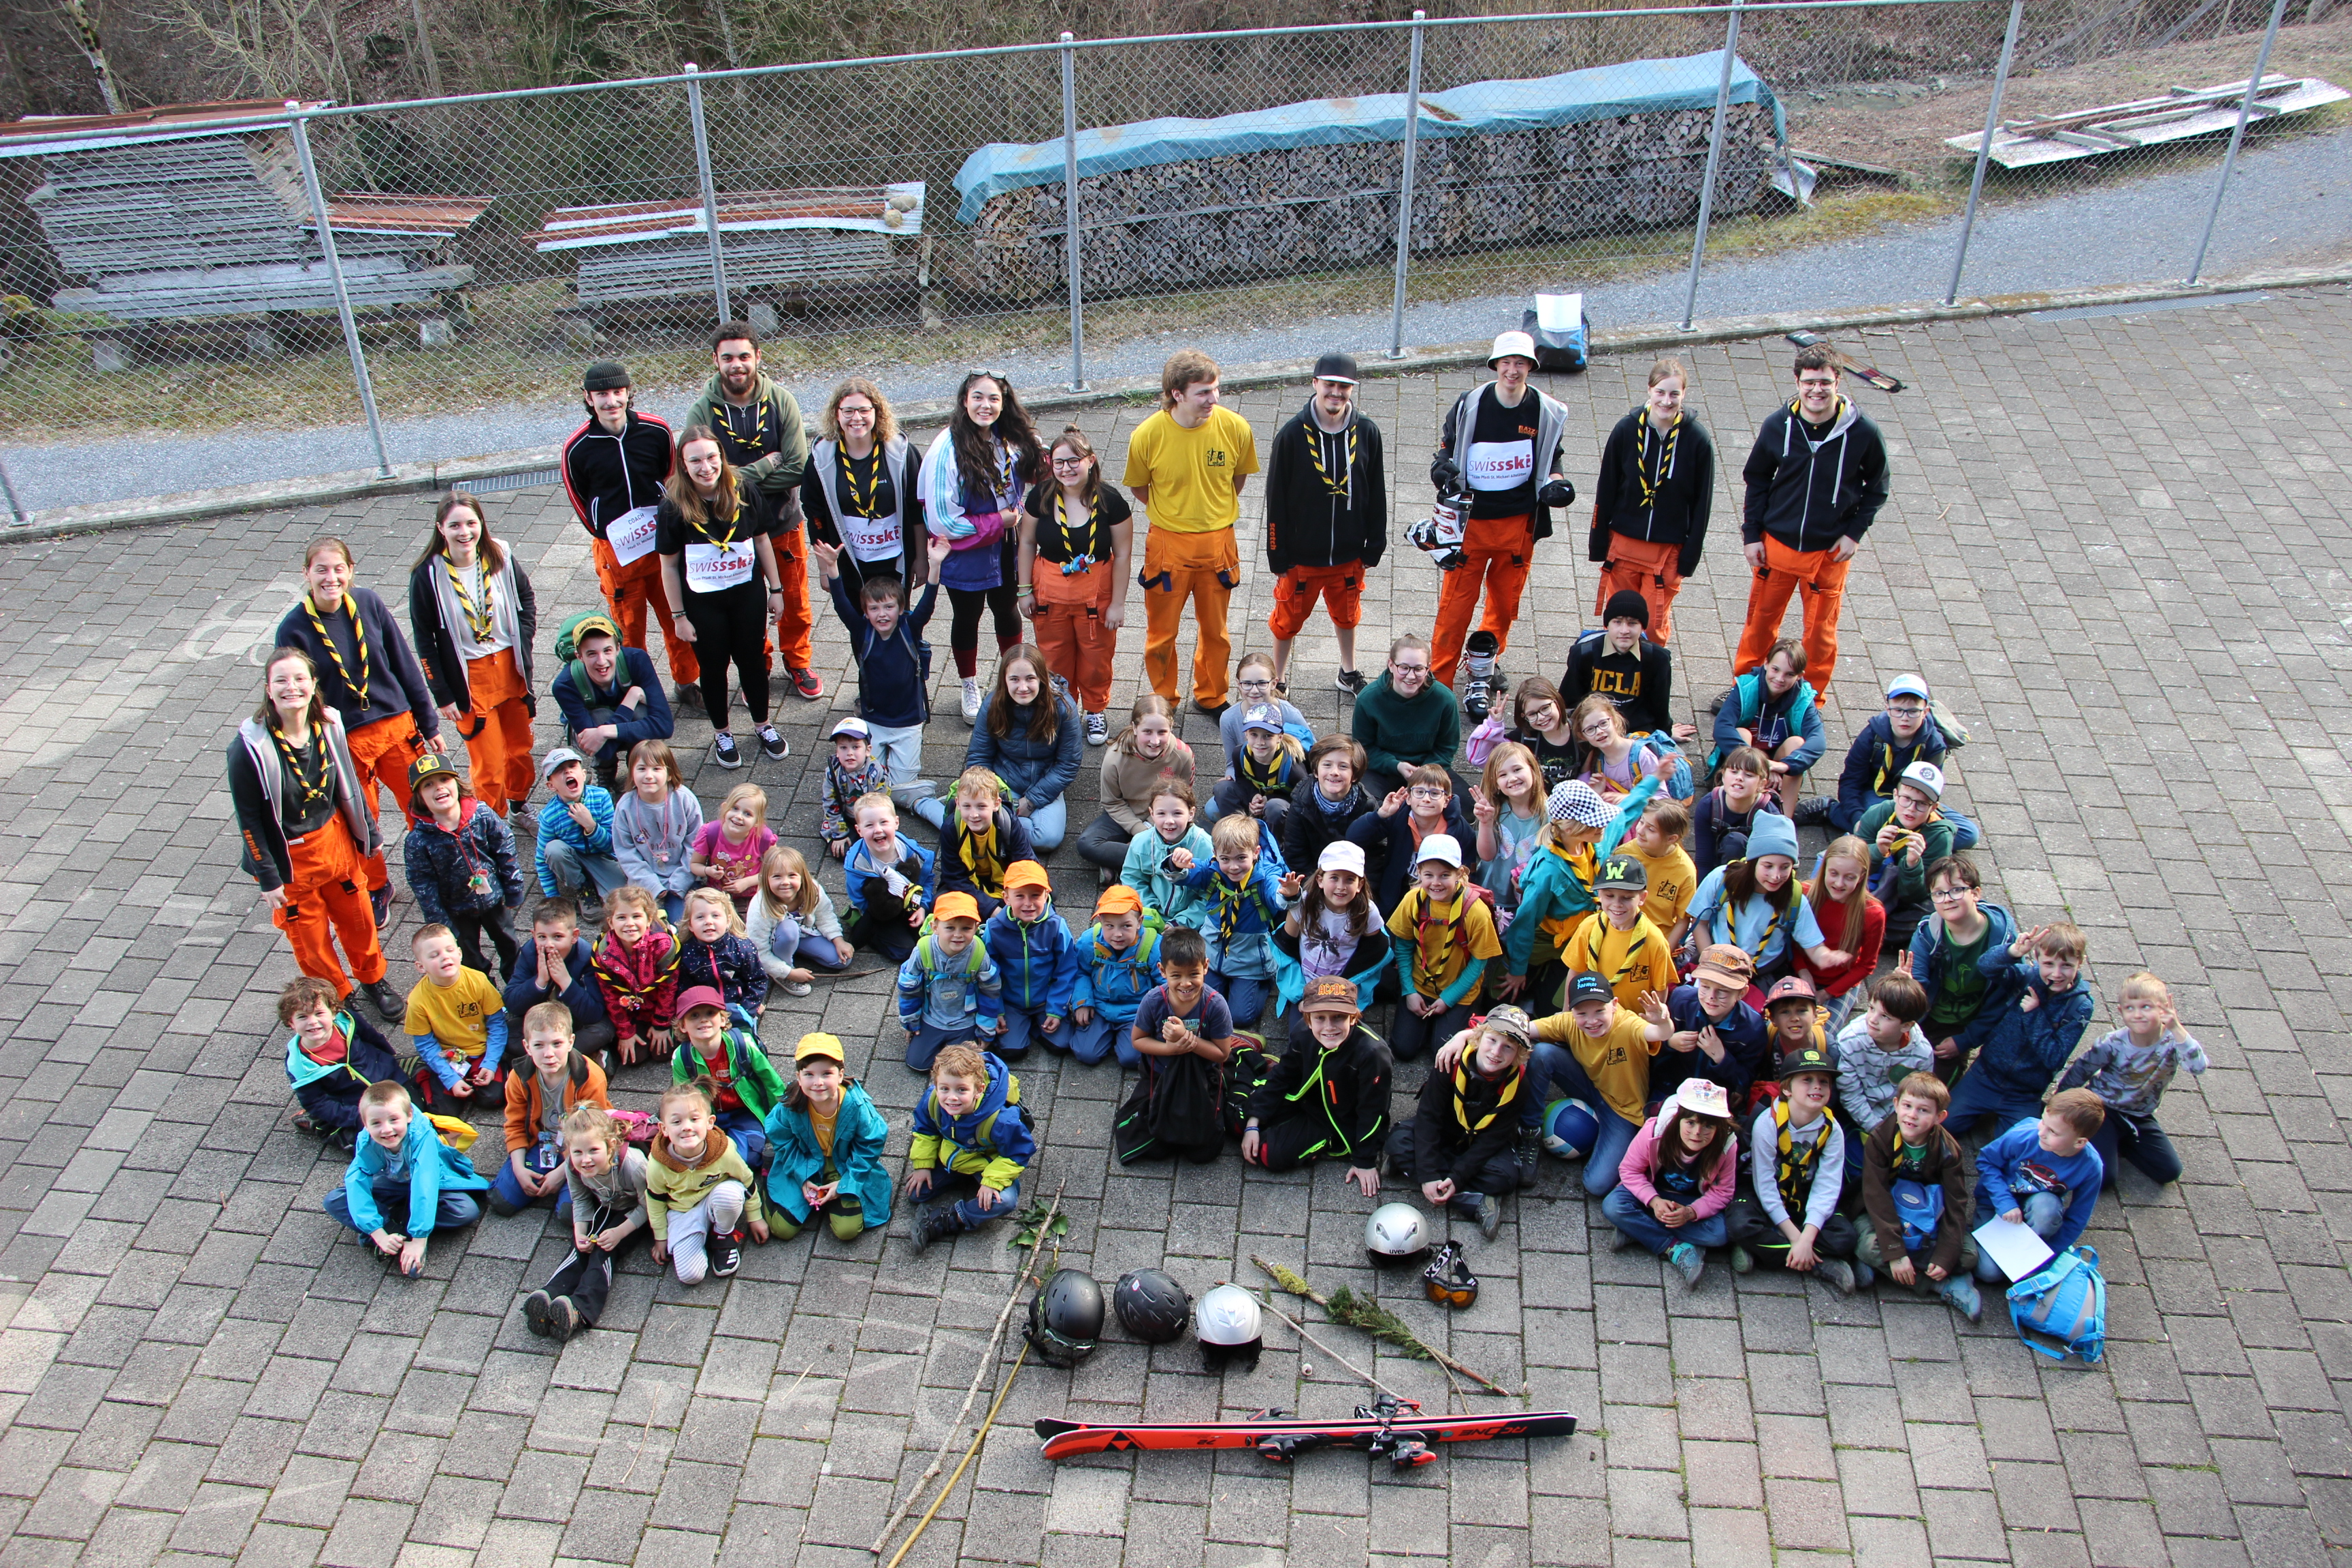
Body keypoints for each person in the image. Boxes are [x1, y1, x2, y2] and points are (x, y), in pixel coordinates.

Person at [274, 535, 444, 926]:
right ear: (306, 573)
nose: (331, 578)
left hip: (397, 726)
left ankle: (437, 867)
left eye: (339, 569)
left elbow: (402, 662)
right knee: (361, 820)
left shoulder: (368, 603)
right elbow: (297, 695)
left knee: (423, 803)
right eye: (321, 570)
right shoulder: (294, 629)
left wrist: (428, 721)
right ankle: (377, 885)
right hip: (344, 739)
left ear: (351, 571)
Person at [229, 647, 398, 1020]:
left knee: (359, 919)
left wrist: (369, 832)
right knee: (310, 939)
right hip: (291, 860)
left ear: (313, 684)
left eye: (299, 678)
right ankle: (337, 996)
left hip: (336, 844)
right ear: (268, 689)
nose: (292, 687)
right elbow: (249, 819)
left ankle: (373, 979)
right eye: (281, 680)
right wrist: (267, 877)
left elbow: (349, 783)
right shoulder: (249, 749)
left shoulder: (329, 724)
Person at [1427, 332, 1575, 717]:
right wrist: (1441, 467)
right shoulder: (1470, 404)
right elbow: (1447, 444)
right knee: (1455, 608)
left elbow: (1553, 457)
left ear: (1531, 367)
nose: (1513, 370)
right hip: (1471, 525)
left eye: (1520, 363)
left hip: (1518, 525)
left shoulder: (1546, 411)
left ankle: (1483, 666)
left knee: (1505, 606)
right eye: (1506, 363)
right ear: (1495, 365)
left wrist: (1557, 484)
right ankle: (1438, 683)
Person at [1734, 342, 1890, 689]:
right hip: (1776, 547)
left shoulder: (1863, 432)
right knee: (1759, 625)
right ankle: (1745, 691)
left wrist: (1854, 533)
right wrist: (1752, 535)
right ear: (1797, 382)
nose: (1816, 390)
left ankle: (1810, 701)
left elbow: (1878, 487)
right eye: (1809, 382)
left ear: (1838, 382)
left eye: (1824, 382)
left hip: (1829, 554)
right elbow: (1757, 480)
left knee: (1820, 634)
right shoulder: (1777, 426)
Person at [684, 323, 821, 700]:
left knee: (793, 599)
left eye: (744, 356)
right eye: (727, 357)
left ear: (758, 357)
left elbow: (797, 468)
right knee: (747, 605)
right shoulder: (702, 411)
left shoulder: (782, 401)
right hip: (729, 531)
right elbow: (701, 474)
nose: (737, 365)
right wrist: (764, 465)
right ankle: (756, 664)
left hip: (782, 523)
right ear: (715, 361)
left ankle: (798, 660)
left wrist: (732, 481)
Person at [1124, 349, 1262, 716]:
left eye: (1216, 389)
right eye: (1203, 392)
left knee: (1217, 632)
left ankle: (1212, 696)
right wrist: (1176, 514)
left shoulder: (1235, 428)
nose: (1213, 399)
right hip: (1167, 547)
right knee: (1161, 635)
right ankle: (1164, 701)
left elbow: (1237, 480)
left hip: (1219, 544)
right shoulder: (1147, 436)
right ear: (1177, 394)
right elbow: (1139, 487)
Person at [560, 360, 698, 706]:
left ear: (628, 393)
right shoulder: (577, 447)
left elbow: (671, 476)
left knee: (676, 617)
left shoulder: (656, 430)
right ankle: (637, 692)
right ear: (588, 398)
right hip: (617, 555)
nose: (611, 401)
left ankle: (687, 682)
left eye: (617, 392)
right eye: (602, 395)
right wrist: (604, 530)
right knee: (628, 630)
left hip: (661, 547)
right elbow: (578, 497)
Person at [657, 425, 791, 769]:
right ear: (683, 464)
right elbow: (668, 566)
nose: (706, 467)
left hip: (747, 595)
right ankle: (723, 733)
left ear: (722, 457)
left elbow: (762, 540)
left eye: (712, 457)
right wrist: (678, 616)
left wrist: (776, 590)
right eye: (695, 461)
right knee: (713, 669)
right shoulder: (673, 505)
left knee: (753, 662)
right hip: (702, 603)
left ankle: (763, 725)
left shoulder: (743, 489)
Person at [408, 491, 538, 819]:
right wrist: (442, 693)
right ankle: (493, 822)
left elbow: (526, 598)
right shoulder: (427, 574)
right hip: (470, 680)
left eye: (471, 523)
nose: (464, 532)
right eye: (455, 525)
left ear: (481, 523)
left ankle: (519, 806)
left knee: (520, 750)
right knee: (488, 764)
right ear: (441, 528)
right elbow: (424, 638)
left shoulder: (500, 554)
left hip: (511, 669)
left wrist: (523, 639)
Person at [923, 370, 1044, 722]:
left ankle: (1014, 682)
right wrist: (999, 521)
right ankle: (969, 685)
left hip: (1007, 547)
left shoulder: (1012, 436)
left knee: (1007, 610)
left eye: (994, 398)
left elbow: (1034, 473)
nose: (985, 406)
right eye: (977, 397)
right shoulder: (947, 448)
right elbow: (941, 521)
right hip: (967, 555)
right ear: (965, 401)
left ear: (1004, 403)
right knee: (967, 616)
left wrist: (1047, 458)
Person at [1264, 352, 1386, 695]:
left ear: (1352, 389)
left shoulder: (1367, 432)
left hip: (1349, 554)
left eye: (1344, 386)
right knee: (1287, 621)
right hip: (1301, 557)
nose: (1336, 392)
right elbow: (1276, 498)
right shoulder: (1291, 435)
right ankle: (1278, 679)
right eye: (1330, 384)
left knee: (1348, 615)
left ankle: (1348, 671)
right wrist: (1277, 552)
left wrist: (1375, 542)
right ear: (1315, 383)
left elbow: (1377, 489)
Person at [1496, 772, 1664, 1008]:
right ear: (1570, 827)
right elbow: (1526, 922)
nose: (1603, 825)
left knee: (1552, 1007)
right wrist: (1517, 970)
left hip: (1580, 937)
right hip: (1545, 935)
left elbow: (1626, 812)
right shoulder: (1547, 871)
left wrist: (1655, 778)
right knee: (1500, 993)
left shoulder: (1597, 840)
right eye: (1594, 821)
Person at [815, 533, 951, 808]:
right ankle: (909, 790)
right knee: (869, 780)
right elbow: (841, 604)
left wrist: (935, 565)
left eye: (889, 607)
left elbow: (928, 604)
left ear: (901, 609)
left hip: (909, 721)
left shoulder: (910, 628)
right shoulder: (862, 631)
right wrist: (832, 567)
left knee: (896, 786)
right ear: (866, 613)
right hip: (874, 720)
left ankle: (909, 790)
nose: (882, 614)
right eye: (874, 608)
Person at [1019, 425, 1132, 744]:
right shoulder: (1040, 496)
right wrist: (1024, 590)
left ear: (1090, 461)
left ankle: (1095, 710)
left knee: (1097, 658)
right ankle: (1061, 710)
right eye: (1059, 462)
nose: (1066, 469)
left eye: (1074, 461)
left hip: (1097, 598)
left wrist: (1118, 604)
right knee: (1053, 657)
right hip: (1049, 596)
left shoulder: (1111, 501)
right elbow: (1026, 543)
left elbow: (1123, 554)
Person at [1588, 356, 1714, 642]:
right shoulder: (1626, 430)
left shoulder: (1697, 440)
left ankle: (1650, 670)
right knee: (1620, 625)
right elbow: (1606, 487)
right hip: (1623, 546)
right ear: (1649, 390)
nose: (1666, 401)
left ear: (1684, 394)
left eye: (1674, 394)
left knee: (1653, 626)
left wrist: (1690, 557)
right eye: (1660, 392)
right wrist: (1598, 541)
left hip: (1667, 551)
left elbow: (1702, 504)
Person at [1512, 972, 1667, 1197]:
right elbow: (1519, 1028)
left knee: (1596, 1184)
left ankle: (1608, 1141)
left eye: (1599, 1011)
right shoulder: (1568, 1022)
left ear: (1614, 1005)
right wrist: (1469, 1035)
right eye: (1582, 1013)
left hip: (1622, 1111)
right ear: (1571, 1011)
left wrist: (1663, 1022)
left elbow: (1659, 1033)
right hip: (1590, 1088)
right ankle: (1530, 1132)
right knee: (1542, 1053)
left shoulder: (1629, 1024)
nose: (1592, 1021)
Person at [1390, 1006, 1537, 1239]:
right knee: (1398, 1140)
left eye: (1508, 1047)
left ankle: (1413, 1170)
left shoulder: (1519, 1084)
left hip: (1479, 1142)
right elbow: (1429, 1117)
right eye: (1492, 1041)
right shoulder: (1451, 1061)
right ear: (1477, 1037)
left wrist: (1457, 1177)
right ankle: (1474, 1201)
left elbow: (1493, 1139)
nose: (1496, 1052)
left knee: (1506, 1177)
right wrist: (1428, 1174)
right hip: (1444, 1131)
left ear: (1518, 1054)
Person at [1727, 1045, 1860, 1292]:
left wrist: (1807, 1237)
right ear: (1787, 1089)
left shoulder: (1832, 1130)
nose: (1817, 1087)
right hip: (1762, 1192)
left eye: (1824, 1081)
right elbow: (1764, 1184)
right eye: (1807, 1080)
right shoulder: (1768, 1123)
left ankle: (1769, 1250)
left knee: (1845, 1238)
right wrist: (1797, 1238)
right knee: (1740, 1225)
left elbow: (1827, 1186)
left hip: (1803, 1192)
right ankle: (1818, 1262)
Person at [1942, 922, 2095, 1137]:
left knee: (2017, 1145)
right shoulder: (2026, 977)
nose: (2057, 973)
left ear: (2081, 962)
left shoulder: (2080, 1007)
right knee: (1944, 1126)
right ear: (2036, 959)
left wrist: (2034, 1015)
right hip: (1984, 1076)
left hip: (2025, 1094)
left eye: (2067, 965)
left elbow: (2055, 1058)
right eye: (2049, 964)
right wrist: (2013, 951)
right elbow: (1986, 966)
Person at [2055, 970, 2205, 1188]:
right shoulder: (2113, 1043)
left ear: (2164, 1009)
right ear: (2121, 1011)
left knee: (2169, 1171)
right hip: (2103, 1109)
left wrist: (2176, 1028)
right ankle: (2098, 1140)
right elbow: (2081, 1070)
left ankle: (2119, 1142)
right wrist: (2060, 1105)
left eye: (2146, 1007)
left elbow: (2198, 1067)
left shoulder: (2174, 1042)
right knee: (2104, 1179)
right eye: (2130, 1008)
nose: (2138, 1015)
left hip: (2139, 1115)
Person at [1243, 974, 1391, 1193]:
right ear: (1308, 1019)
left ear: (1353, 1018)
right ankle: (1244, 1052)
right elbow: (1283, 1076)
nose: (1329, 1027)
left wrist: (1365, 1160)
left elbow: (1374, 1111)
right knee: (1240, 1117)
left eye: (1339, 1017)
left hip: (1336, 1120)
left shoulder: (1373, 1054)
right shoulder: (1302, 1032)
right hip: (1302, 1095)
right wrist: (1253, 1122)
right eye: (1320, 1018)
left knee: (1267, 1153)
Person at [1799, 672, 1979, 848]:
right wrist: (1857, 818)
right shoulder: (1871, 736)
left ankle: (1898, 839)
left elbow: (1929, 791)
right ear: (1888, 709)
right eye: (1898, 710)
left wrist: (1919, 818)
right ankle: (1832, 810)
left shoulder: (1934, 745)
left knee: (1967, 834)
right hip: (1875, 795)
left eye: (1913, 712)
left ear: (1925, 712)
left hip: (1913, 800)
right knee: (1878, 826)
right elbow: (1851, 782)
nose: (1905, 718)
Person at [326, 1082, 487, 1277]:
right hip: (394, 1182)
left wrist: (419, 1240)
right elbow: (357, 1180)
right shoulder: (367, 1140)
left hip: (435, 1182)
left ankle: (400, 1229)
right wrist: (378, 1233)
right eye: (376, 1123)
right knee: (335, 1200)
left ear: (409, 1115)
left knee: (465, 1210)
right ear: (366, 1125)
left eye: (393, 1120)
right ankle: (392, 1230)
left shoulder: (422, 1136)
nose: (386, 1130)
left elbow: (425, 1183)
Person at [1857, 1072, 1981, 1320]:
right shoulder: (1880, 1139)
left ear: (1939, 1117)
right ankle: (1939, 1285)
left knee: (1968, 1256)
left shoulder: (1949, 1150)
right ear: (1896, 1105)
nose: (1912, 1115)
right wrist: (1895, 1251)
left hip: (1929, 1218)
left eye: (1923, 1110)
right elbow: (1876, 1196)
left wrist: (1945, 1257)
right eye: (1907, 1106)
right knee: (1869, 1246)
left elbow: (1956, 1203)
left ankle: (1883, 1268)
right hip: (1886, 1215)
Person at [936, 644, 1083, 851]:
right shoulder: (993, 705)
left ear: (1041, 678)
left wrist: (1031, 802)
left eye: (1030, 678)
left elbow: (1068, 764)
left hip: (1045, 782)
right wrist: (986, 793)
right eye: (1014, 679)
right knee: (971, 820)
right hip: (1004, 780)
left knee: (1047, 839)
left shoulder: (1062, 707)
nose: (1023, 687)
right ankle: (926, 804)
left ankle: (984, 822)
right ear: (1004, 680)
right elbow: (979, 756)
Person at [521, 1105, 648, 1341]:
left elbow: (650, 1207)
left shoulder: (634, 1165)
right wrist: (579, 1231)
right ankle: (551, 1295)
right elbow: (580, 1199)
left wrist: (620, 1232)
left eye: (594, 1151)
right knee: (579, 1248)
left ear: (611, 1145)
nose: (586, 1160)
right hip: (606, 1204)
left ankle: (580, 1310)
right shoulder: (572, 1164)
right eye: (578, 1152)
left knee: (603, 1252)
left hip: (635, 1213)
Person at [1679, 814, 1852, 985]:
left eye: (1785, 867)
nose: (1776, 876)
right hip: (1716, 963)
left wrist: (1825, 956)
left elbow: (1814, 947)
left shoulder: (1794, 898)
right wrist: (1711, 960)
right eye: (1768, 866)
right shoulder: (1721, 880)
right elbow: (1700, 923)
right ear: (1753, 862)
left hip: (1762, 972)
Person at [1117, 926, 1240, 1164]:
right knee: (1156, 1147)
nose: (1186, 984)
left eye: (1193, 974)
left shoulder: (1215, 1005)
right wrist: (1170, 1049)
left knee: (1202, 1154)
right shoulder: (1154, 1001)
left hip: (1202, 1076)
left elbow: (1222, 1054)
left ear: (1205, 967)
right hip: (1161, 1075)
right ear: (1162, 971)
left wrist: (1189, 1041)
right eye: (1176, 976)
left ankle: (1239, 1040)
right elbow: (1138, 1040)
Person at [1603, 1077, 1740, 1287]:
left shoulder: (1726, 1146)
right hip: (1651, 1193)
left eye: (1708, 1126)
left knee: (1719, 1234)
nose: (1697, 1133)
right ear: (1678, 1119)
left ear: (1718, 1128)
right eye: (1691, 1123)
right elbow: (1629, 1170)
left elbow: (1723, 1193)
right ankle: (1676, 1248)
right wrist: (1654, 1201)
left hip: (1689, 1203)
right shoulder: (1655, 1130)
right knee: (1613, 1206)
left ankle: (1637, 1229)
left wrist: (1690, 1213)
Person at [800, 376, 925, 605]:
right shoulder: (821, 459)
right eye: (848, 411)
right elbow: (815, 517)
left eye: (864, 410)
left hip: (895, 562)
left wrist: (921, 558)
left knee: (895, 619)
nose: (856, 418)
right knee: (857, 624)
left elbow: (917, 509)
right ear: (836, 414)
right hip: (850, 563)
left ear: (877, 412)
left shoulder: (900, 453)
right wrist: (824, 569)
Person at [401, 751, 523, 982]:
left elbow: (505, 848)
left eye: (444, 779)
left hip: (492, 898)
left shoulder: (482, 815)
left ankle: (517, 984)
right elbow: (422, 883)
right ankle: (483, 989)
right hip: (456, 909)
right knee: (468, 957)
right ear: (420, 797)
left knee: (509, 943)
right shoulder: (418, 840)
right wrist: (439, 921)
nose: (439, 787)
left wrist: (513, 887)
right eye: (428, 785)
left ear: (457, 783)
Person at [904, 1041, 1036, 1251]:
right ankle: (957, 1180)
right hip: (954, 1157)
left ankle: (944, 1219)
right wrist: (922, 1165)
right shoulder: (932, 1100)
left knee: (1004, 1201)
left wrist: (992, 1181)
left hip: (986, 1163)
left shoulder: (1001, 1121)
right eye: (944, 1089)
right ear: (935, 1085)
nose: (952, 1097)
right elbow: (925, 1130)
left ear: (979, 1090)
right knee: (916, 1193)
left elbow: (1018, 1153)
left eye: (962, 1090)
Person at [764, 1032, 892, 1243]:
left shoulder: (857, 1107)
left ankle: (831, 1197)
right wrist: (802, 1177)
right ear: (798, 1077)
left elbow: (870, 1145)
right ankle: (769, 1180)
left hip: (845, 1166)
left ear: (840, 1075)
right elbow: (782, 1139)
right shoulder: (790, 1105)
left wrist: (844, 1185)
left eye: (826, 1074)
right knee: (782, 1229)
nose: (818, 1083)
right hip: (803, 1161)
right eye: (809, 1074)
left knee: (847, 1231)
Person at [1384, 835, 1501, 1062]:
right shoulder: (1413, 900)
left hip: (1459, 989)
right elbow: (1404, 947)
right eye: (1429, 875)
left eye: (1445, 875)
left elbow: (1479, 962)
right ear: (1419, 873)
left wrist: (1449, 999)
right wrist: (1409, 991)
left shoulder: (1476, 911)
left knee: (1443, 1051)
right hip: (1420, 985)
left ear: (1460, 873)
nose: (1436, 883)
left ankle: (1449, 1020)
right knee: (1403, 1050)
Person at [1973, 1091, 2106, 1286]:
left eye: (2053, 1132)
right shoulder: (2024, 1135)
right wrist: (2005, 1203)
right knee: (1988, 1273)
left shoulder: (2091, 1167)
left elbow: (2078, 1217)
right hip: (1996, 1206)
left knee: (2046, 1209)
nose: (2041, 1132)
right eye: (2043, 1121)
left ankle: (2030, 1245)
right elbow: (1986, 1161)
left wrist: (2049, 1255)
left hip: (2038, 1206)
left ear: (2079, 1142)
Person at [491, 1002, 610, 1218]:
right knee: (502, 1201)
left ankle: (570, 1184)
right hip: (542, 1143)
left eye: (557, 1043)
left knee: (568, 1214)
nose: (548, 1054)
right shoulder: (519, 1077)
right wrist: (519, 1169)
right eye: (539, 1045)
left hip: (580, 1150)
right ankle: (543, 1174)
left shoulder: (589, 1077)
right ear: (527, 1047)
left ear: (570, 1042)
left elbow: (596, 1134)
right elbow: (515, 1125)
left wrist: (561, 1173)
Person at [647, 1077, 768, 1284]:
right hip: (683, 1211)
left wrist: (755, 1216)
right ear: (664, 1128)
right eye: (676, 1122)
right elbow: (655, 1200)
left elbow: (747, 1180)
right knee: (690, 1276)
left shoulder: (724, 1150)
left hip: (716, 1198)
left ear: (710, 1122)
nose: (686, 1127)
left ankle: (723, 1235)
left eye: (694, 1119)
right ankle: (699, 1236)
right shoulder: (658, 1164)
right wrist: (661, 1236)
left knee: (730, 1195)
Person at [1177, 814, 1292, 1032]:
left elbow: (1277, 895)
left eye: (1241, 858)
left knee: (1240, 1016)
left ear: (1256, 852)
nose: (1233, 866)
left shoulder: (1265, 875)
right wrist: (1176, 864)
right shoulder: (1213, 870)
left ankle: (1265, 980)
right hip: (1212, 955)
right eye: (1226, 859)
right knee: (1202, 1006)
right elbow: (1188, 873)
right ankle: (1226, 985)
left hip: (1248, 960)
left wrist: (1287, 893)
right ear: (1215, 854)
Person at [1908, 855, 2017, 1083]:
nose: (1947, 899)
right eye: (1938, 893)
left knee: (1934, 1089)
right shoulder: (1927, 933)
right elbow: (1918, 984)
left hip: (1964, 1027)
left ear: (1976, 893)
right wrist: (1906, 987)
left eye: (1956, 890)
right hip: (1926, 1016)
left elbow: (2005, 999)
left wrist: (1965, 1040)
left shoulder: (2003, 940)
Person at [1269, 840, 1392, 1026]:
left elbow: (1374, 951)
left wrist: (1350, 987)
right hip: (1306, 984)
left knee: (1343, 1032)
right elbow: (1286, 945)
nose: (1341, 886)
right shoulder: (1304, 903)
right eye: (1334, 878)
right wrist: (1300, 993)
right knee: (1300, 1031)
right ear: (1320, 880)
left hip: (1342, 987)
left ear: (1360, 884)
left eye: (1350, 879)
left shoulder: (1367, 911)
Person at [549, 614, 675, 794]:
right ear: (579, 656)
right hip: (598, 727)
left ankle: (639, 766)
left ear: (618, 648)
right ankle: (604, 770)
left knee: (640, 713)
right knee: (602, 716)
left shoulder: (637, 659)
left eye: (607, 650)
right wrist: (632, 698)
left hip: (607, 728)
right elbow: (602, 749)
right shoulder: (564, 685)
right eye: (592, 653)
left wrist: (604, 732)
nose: (601, 661)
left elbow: (665, 726)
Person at [670, 985, 788, 1168]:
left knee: (749, 1158)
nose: (703, 1020)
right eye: (694, 1015)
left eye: (710, 1013)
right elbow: (683, 1098)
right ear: (682, 1026)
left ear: (723, 1019)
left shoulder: (744, 1045)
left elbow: (772, 1082)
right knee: (697, 1157)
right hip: (708, 1115)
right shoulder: (681, 1057)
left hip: (745, 1112)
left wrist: (780, 1119)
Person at [1077, 696, 1197, 875]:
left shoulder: (1183, 755)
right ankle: (1164, 863)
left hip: (1165, 816)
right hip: (1125, 814)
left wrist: (1153, 824)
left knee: (1203, 839)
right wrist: (1140, 831)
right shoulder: (1115, 757)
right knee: (1087, 844)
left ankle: (1120, 861)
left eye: (1162, 732)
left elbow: (1184, 798)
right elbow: (1112, 802)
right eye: (1147, 732)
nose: (1155, 741)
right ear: (1134, 728)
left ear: (1171, 727)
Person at [278, 975, 399, 1152]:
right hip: (354, 1106)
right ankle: (321, 1126)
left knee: (418, 1112)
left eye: (319, 1013)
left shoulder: (348, 1021)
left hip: (388, 1079)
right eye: (303, 1017)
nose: (313, 1021)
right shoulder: (300, 1065)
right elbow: (316, 1102)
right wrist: (358, 1117)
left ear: (334, 1012)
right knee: (375, 1146)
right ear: (291, 1023)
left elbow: (375, 1039)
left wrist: (394, 1064)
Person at [1707, 639, 1823, 817]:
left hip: (1776, 764)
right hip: (1745, 762)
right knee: (1742, 733)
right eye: (1776, 669)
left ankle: (1784, 820)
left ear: (1800, 676)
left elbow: (1818, 742)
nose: (1780, 679)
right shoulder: (1746, 686)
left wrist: (1784, 766)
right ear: (1766, 664)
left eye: (1789, 674)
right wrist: (1761, 766)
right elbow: (1722, 727)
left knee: (1797, 743)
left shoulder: (1804, 698)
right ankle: (1734, 808)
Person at [1832, 970, 1934, 1169]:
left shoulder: (1922, 1053)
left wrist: (1895, 1125)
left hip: (1894, 1115)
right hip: (1854, 1111)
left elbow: (1915, 1096)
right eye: (1871, 1008)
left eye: (1885, 1016)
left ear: (1906, 1026)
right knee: (1855, 1162)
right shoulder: (1850, 1040)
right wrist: (1876, 1128)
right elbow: (1850, 1094)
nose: (1872, 1019)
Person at [1562, 593, 1695, 743]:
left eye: (1632, 623)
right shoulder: (1584, 654)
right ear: (1607, 625)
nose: (1624, 630)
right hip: (1594, 730)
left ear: (1642, 627)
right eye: (1617, 622)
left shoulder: (1658, 658)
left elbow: (1660, 704)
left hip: (1636, 731)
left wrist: (1666, 733)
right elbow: (1569, 701)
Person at [1649, 943, 1774, 1104]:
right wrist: (1669, 1041)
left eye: (1723, 991)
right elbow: (1647, 1046)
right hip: (1670, 1089)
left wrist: (1722, 1058)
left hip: (1715, 1100)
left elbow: (1746, 1080)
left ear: (1741, 993)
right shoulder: (1680, 1001)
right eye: (1705, 986)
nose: (1711, 996)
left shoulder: (1753, 1028)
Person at [503, 898, 617, 1072]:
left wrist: (566, 982)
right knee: (507, 1034)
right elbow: (512, 1003)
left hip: (575, 1022)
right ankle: (580, 1058)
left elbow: (594, 1013)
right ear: (533, 935)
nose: (549, 945)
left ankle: (545, 1060)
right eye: (542, 937)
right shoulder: (529, 953)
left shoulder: (587, 956)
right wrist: (540, 981)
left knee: (604, 1029)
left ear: (574, 936)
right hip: (543, 1024)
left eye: (557, 937)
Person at [1350, 634, 1465, 804]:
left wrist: (1425, 773)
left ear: (1428, 668)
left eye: (1418, 669)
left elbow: (1447, 748)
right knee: (1367, 803)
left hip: (1429, 769)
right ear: (1391, 665)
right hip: (1383, 770)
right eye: (1404, 668)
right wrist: (1396, 765)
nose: (1411, 676)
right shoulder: (1368, 699)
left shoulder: (1444, 699)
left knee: (1464, 805)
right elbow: (1363, 749)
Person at [404, 924, 508, 1111]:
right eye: (434, 955)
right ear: (421, 966)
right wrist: (450, 1079)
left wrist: (491, 1063)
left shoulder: (478, 981)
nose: (445, 957)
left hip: (481, 1052)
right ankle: (423, 1073)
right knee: (444, 1111)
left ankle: (483, 1075)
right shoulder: (418, 1000)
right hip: (447, 1057)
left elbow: (497, 1024)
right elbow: (426, 1044)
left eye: (449, 950)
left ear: (460, 953)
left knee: (494, 1099)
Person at [898, 890, 1003, 1072]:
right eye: (950, 928)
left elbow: (991, 992)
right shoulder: (923, 951)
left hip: (965, 1020)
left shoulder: (979, 954)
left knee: (963, 1068)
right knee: (917, 1064)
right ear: (935, 927)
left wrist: (986, 1029)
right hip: (932, 1018)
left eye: (966, 928)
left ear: (976, 927)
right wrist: (910, 1022)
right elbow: (908, 989)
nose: (958, 935)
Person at [985, 861, 1080, 1058]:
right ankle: (1023, 1025)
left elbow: (1067, 969)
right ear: (1006, 898)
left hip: (1046, 1001)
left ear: (1046, 896)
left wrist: (1056, 1010)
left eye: (1036, 895)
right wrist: (996, 1011)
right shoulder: (994, 929)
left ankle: (1035, 1025)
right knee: (1012, 1052)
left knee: (1062, 1046)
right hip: (1011, 1003)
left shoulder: (1056, 926)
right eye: (1020, 896)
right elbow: (988, 975)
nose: (1028, 903)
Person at [1857, 762, 1957, 945]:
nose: (1911, 808)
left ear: (1934, 807)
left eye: (1922, 804)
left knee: (1937, 910)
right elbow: (1854, 865)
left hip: (1907, 897)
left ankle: (1871, 931)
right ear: (1895, 795)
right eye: (1906, 799)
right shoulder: (1879, 813)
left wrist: (1912, 865)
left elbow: (1915, 896)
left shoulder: (1940, 837)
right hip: (1874, 883)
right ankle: (1869, 929)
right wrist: (1877, 850)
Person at [1567, 854, 1678, 1015]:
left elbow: (1660, 989)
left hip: (1635, 1022)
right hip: (1593, 1019)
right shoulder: (1588, 928)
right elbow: (1575, 973)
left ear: (1642, 898)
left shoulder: (1654, 939)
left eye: (1627, 898)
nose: (1617, 904)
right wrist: (1567, 1013)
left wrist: (1653, 1021)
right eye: (1609, 896)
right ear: (1599, 894)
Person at [1067, 885, 1165, 1066]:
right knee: (1086, 1054)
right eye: (1110, 926)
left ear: (1139, 922)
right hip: (1099, 1007)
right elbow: (1081, 971)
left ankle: (1123, 1039)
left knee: (1132, 1059)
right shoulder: (1090, 941)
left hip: (1136, 1011)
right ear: (1100, 922)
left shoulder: (1153, 947)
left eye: (1126, 926)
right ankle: (1107, 1037)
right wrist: (1082, 1002)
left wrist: (1155, 1017)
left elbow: (1164, 985)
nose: (1117, 934)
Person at [1794, 834, 1884, 1030]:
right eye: (1834, 873)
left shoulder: (1872, 913)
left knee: (1821, 1037)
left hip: (1840, 984)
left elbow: (1866, 965)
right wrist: (1803, 972)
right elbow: (1791, 942)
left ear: (1862, 876)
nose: (1839, 883)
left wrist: (1826, 994)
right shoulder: (1804, 894)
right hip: (1799, 972)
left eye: (1849, 877)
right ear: (1824, 867)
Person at [745, 845, 853, 998]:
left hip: (802, 933)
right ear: (766, 879)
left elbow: (825, 916)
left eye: (792, 875)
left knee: (842, 961)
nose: (785, 882)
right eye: (777, 877)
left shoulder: (813, 890)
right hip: (780, 937)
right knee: (789, 930)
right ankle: (783, 974)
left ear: (802, 877)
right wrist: (789, 973)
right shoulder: (761, 907)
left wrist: (838, 940)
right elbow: (758, 951)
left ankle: (794, 949)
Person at [614, 738, 702, 926]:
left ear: (669, 774)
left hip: (683, 877)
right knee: (648, 929)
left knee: (680, 925)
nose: (649, 775)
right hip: (643, 882)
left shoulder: (685, 800)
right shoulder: (625, 807)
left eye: (656, 769)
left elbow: (696, 846)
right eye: (641, 769)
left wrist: (680, 882)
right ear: (632, 773)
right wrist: (652, 885)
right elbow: (626, 852)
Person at [591, 885, 679, 1069]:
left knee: (663, 1053)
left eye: (636, 916)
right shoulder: (604, 952)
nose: (629, 923)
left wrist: (661, 1025)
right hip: (633, 1011)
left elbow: (669, 988)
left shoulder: (662, 945)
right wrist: (626, 1033)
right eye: (621, 917)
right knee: (633, 1058)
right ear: (611, 922)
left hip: (660, 1008)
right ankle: (604, 1051)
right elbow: (611, 995)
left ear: (649, 920)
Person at [933, 767, 1037, 922]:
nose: (974, 815)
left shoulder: (1008, 822)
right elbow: (954, 878)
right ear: (958, 804)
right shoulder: (951, 829)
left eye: (981, 806)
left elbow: (1026, 863)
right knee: (941, 903)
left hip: (1002, 880)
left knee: (1043, 892)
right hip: (966, 884)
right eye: (967, 806)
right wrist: (992, 909)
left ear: (996, 804)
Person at [842, 793, 934, 964]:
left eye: (883, 822)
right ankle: (870, 932)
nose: (878, 830)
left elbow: (926, 879)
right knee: (905, 952)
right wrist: (877, 913)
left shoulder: (910, 851)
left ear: (896, 823)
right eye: (869, 825)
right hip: (882, 910)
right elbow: (858, 896)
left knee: (929, 940)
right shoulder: (857, 863)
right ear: (859, 831)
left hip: (910, 900)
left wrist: (922, 906)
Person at [534, 747, 625, 915]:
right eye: (559, 770)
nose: (568, 771)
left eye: (572, 766)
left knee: (622, 899)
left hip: (601, 858)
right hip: (572, 857)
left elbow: (613, 845)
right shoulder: (549, 815)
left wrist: (591, 827)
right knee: (554, 849)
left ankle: (597, 882)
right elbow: (542, 859)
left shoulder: (601, 796)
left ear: (583, 775)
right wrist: (553, 898)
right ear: (551, 786)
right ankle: (583, 888)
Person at [1281, 735, 1379, 877]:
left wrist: (1363, 886)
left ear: (1355, 776)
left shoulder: (1367, 805)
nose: (1334, 772)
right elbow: (1296, 856)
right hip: (1315, 878)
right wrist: (1315, 886)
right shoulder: (1301, 804)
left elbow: (1376, 856)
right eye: (1327, 765)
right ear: (1316, 771)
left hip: (1354, 880)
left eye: (1343, 766)